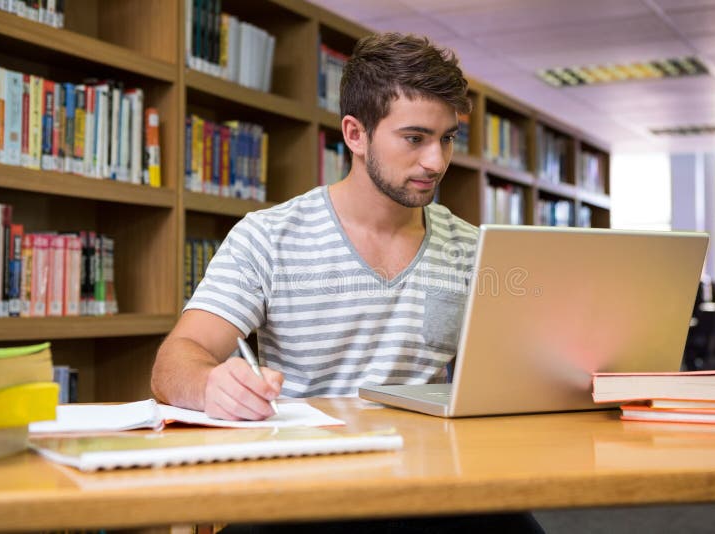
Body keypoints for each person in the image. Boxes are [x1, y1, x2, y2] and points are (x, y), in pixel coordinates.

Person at [152, 32, 543, 534]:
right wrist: (210, 384)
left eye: (446, 138)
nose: (436, 161)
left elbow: (508, 379)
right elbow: (175, 359)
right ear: (355, 134)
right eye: (414, 137)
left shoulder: (474, 249)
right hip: (305, 489)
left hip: (432, 484)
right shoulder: (269, 236)